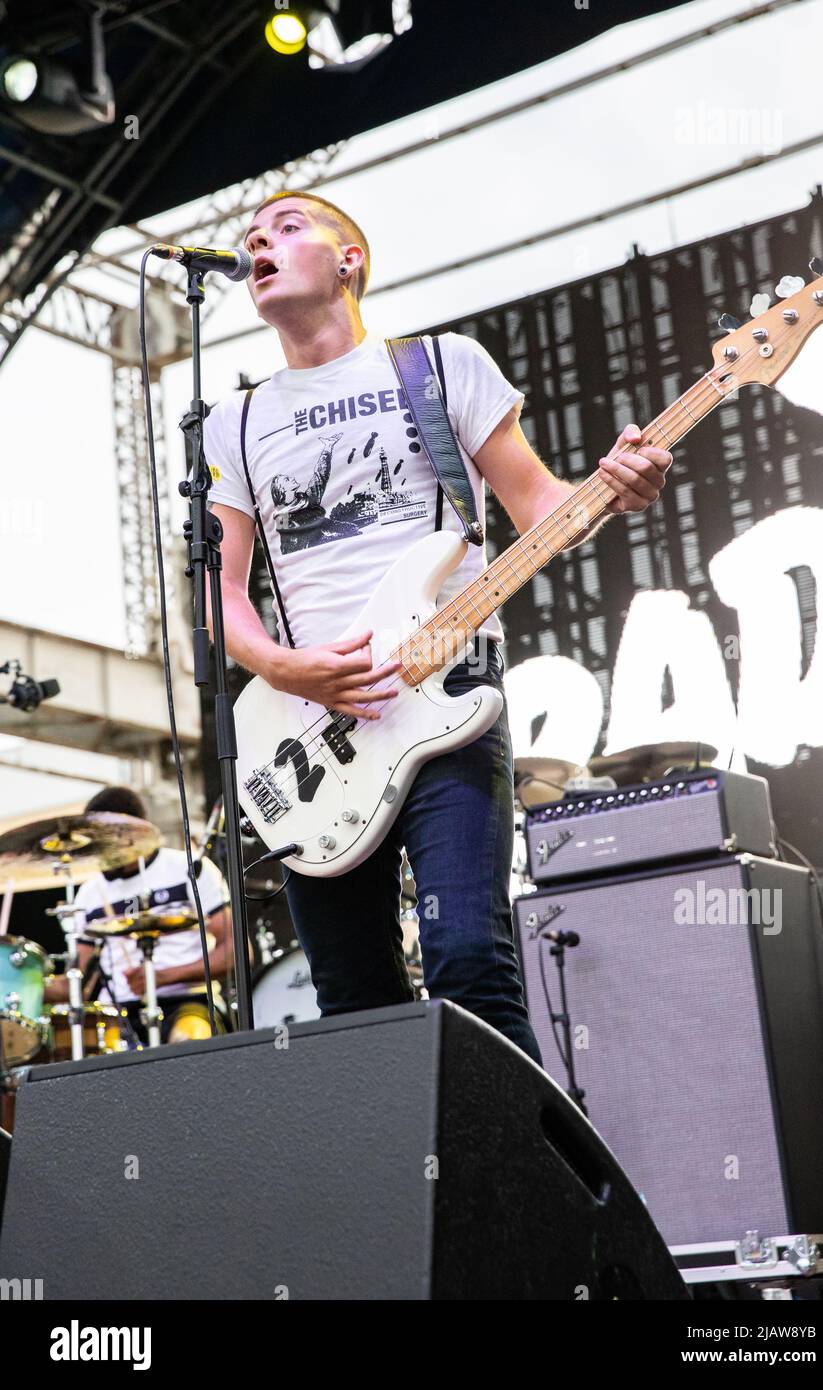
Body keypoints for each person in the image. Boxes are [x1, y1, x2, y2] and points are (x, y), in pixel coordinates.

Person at [202, 191, 672, 1065]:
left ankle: (523, 1196)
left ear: (350, 262)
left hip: (446, 695)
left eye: (289, 225)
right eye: (251, 235)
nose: (260, 239)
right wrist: (285, 666)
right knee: (351, 997)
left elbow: (541, 507)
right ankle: (401, 1198)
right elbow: (220, 591)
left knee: (469, 960)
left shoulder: (440, 366)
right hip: (316, 735)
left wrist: (615, 484)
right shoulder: (232, 421)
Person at [45, 786, 233, 1044]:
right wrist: (23, 987)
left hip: (188, 1002)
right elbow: (77, 984)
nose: (99, 846)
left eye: (105, 836)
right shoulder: (90, 893)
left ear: (134, 831)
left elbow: (236, 951)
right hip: (116, 1013)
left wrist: (165, 976)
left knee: (187, 1040)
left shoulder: (188, 869)